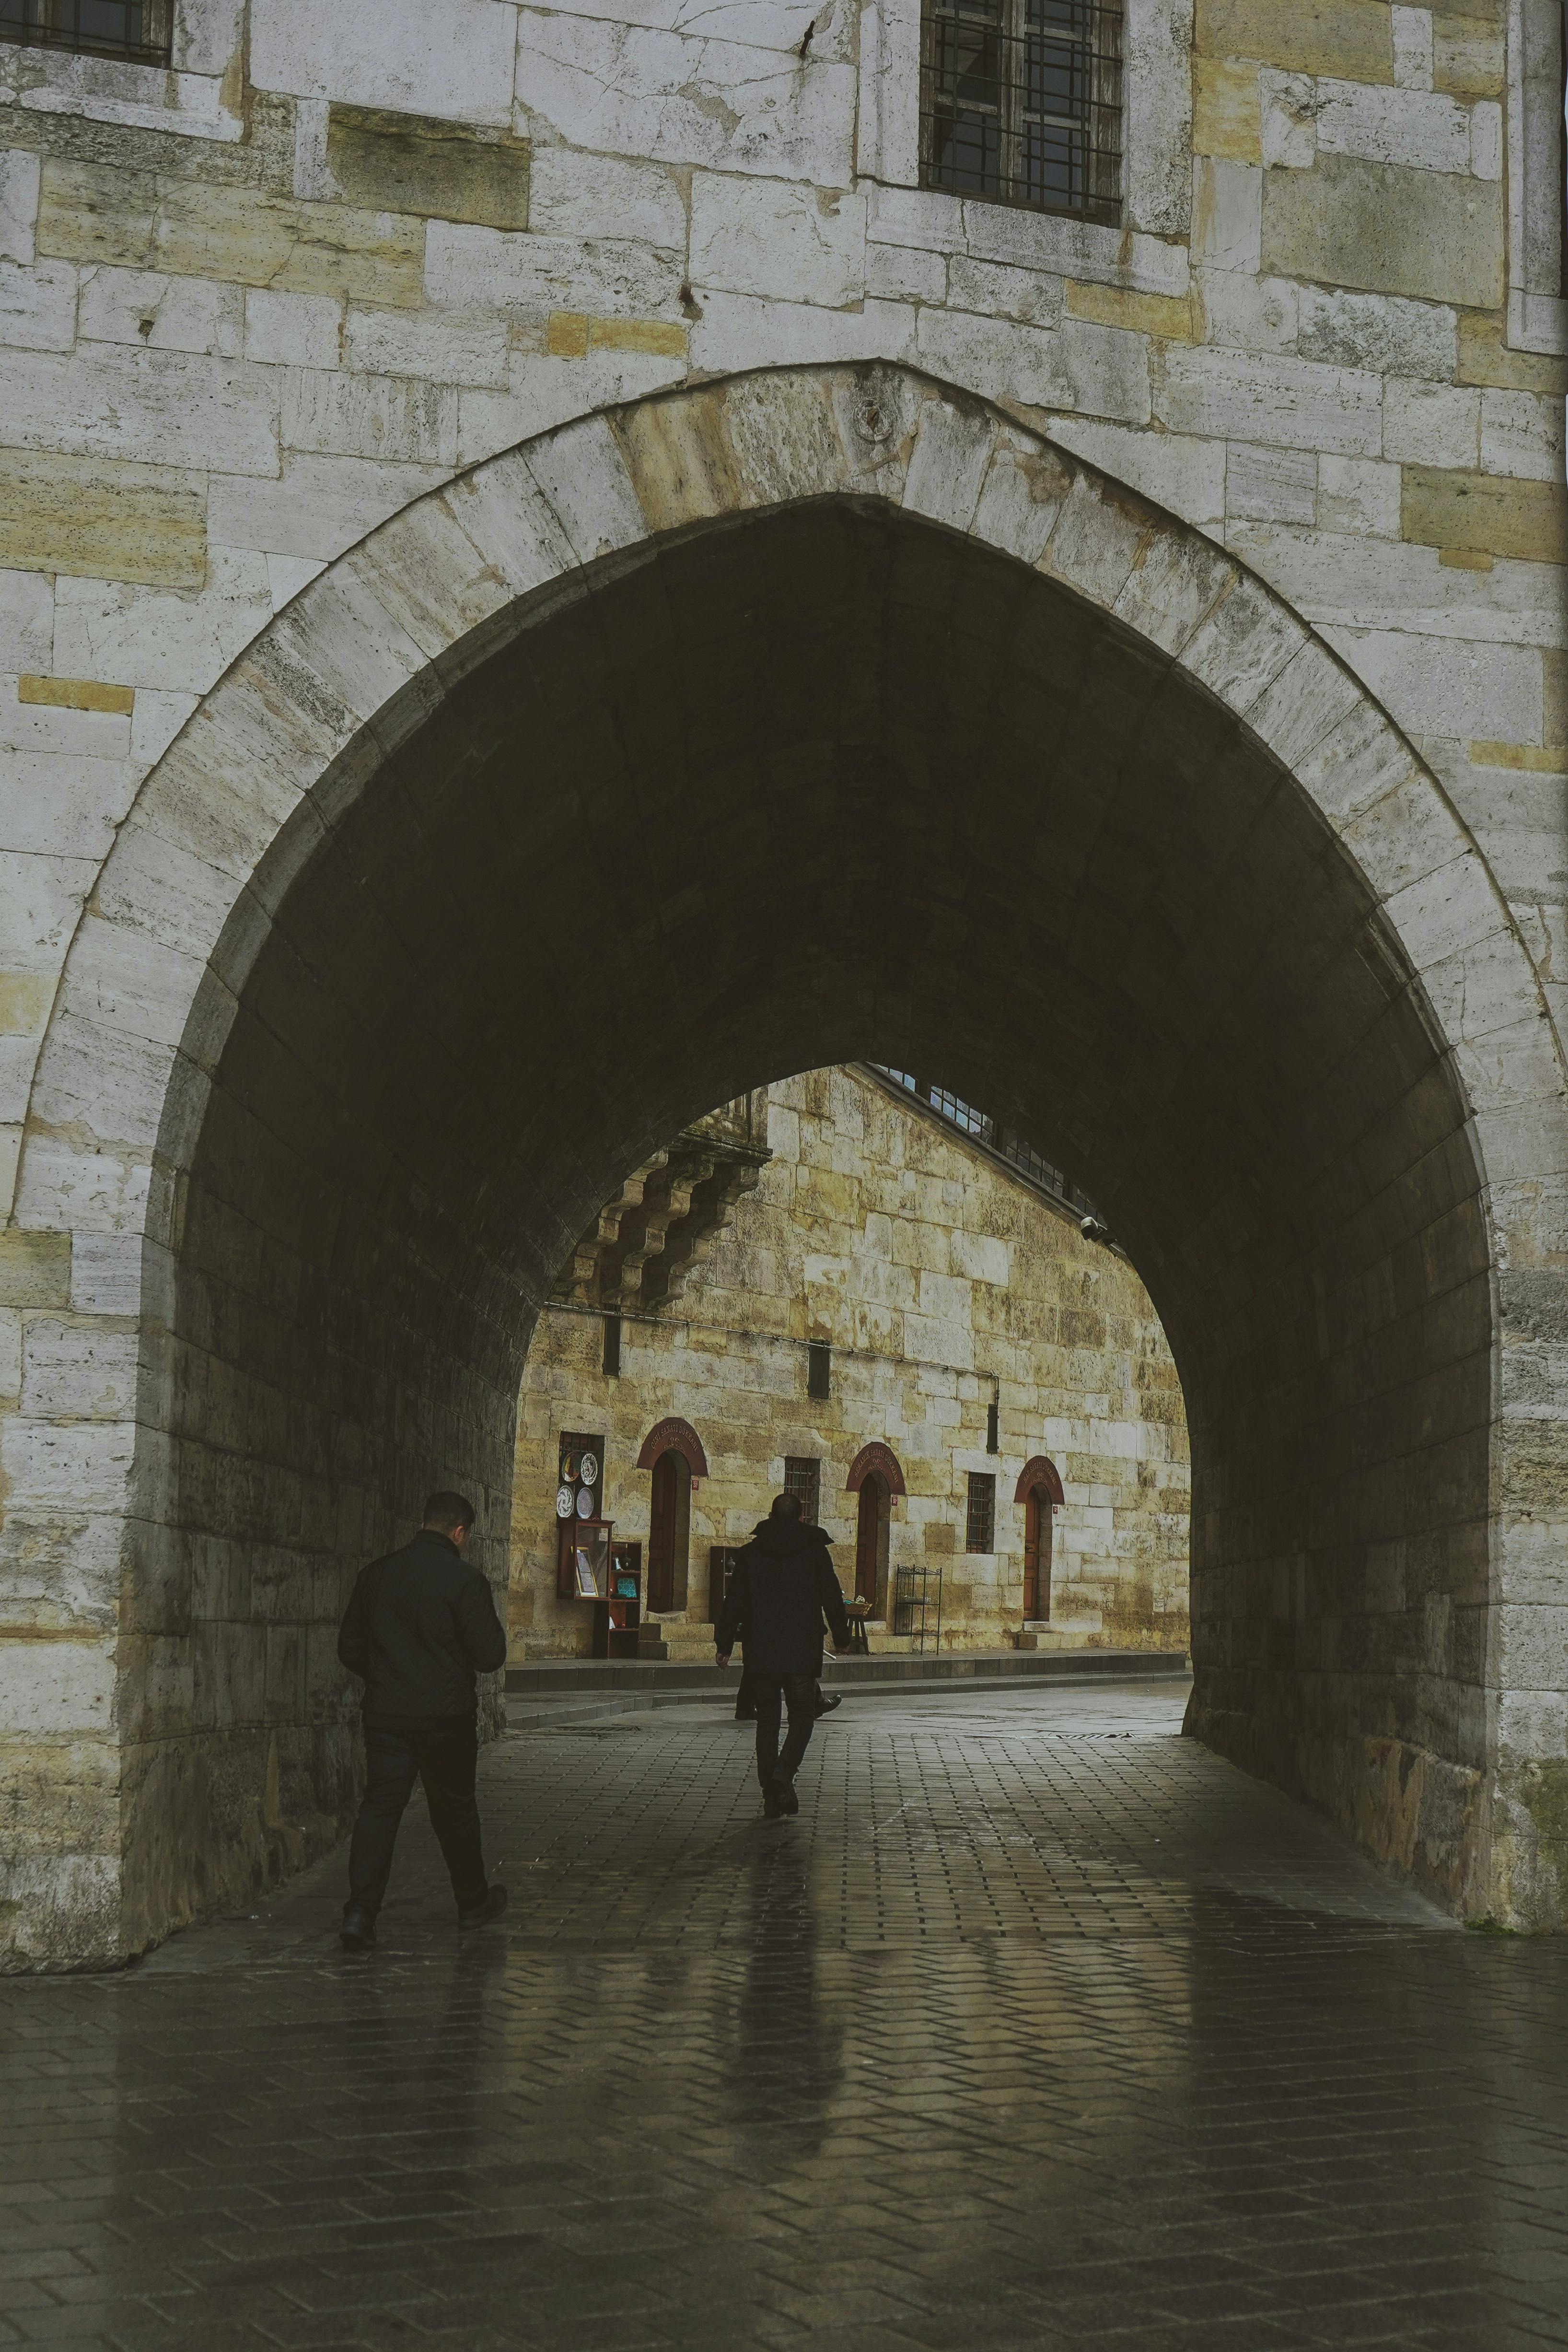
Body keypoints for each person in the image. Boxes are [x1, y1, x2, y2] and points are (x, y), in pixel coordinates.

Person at [336, 1491, 509, 1951]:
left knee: (379, 1808)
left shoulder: (376, 1576)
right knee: (455, 1809)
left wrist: (387, 1675)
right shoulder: (465, 1581)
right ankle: (472, 1902)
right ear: (459, 1532)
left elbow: (349, 1646)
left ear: (424, 1523)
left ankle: (360, 1912)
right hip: (446, 1719)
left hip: (387, 1716)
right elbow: (490, 1655)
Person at [715, 1492, 851, 1819]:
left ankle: (771, 1794)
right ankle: (783, 1773)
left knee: (768, 1721)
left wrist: (724, 1644)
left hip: (761, 1650)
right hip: (801, 1651)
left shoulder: (751, 1554)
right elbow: (831, 1595)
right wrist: (842, 1637)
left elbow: (734, 1601)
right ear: (801, 1518)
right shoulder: (815, 1552)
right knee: (802, 1716)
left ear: (771, 1516)